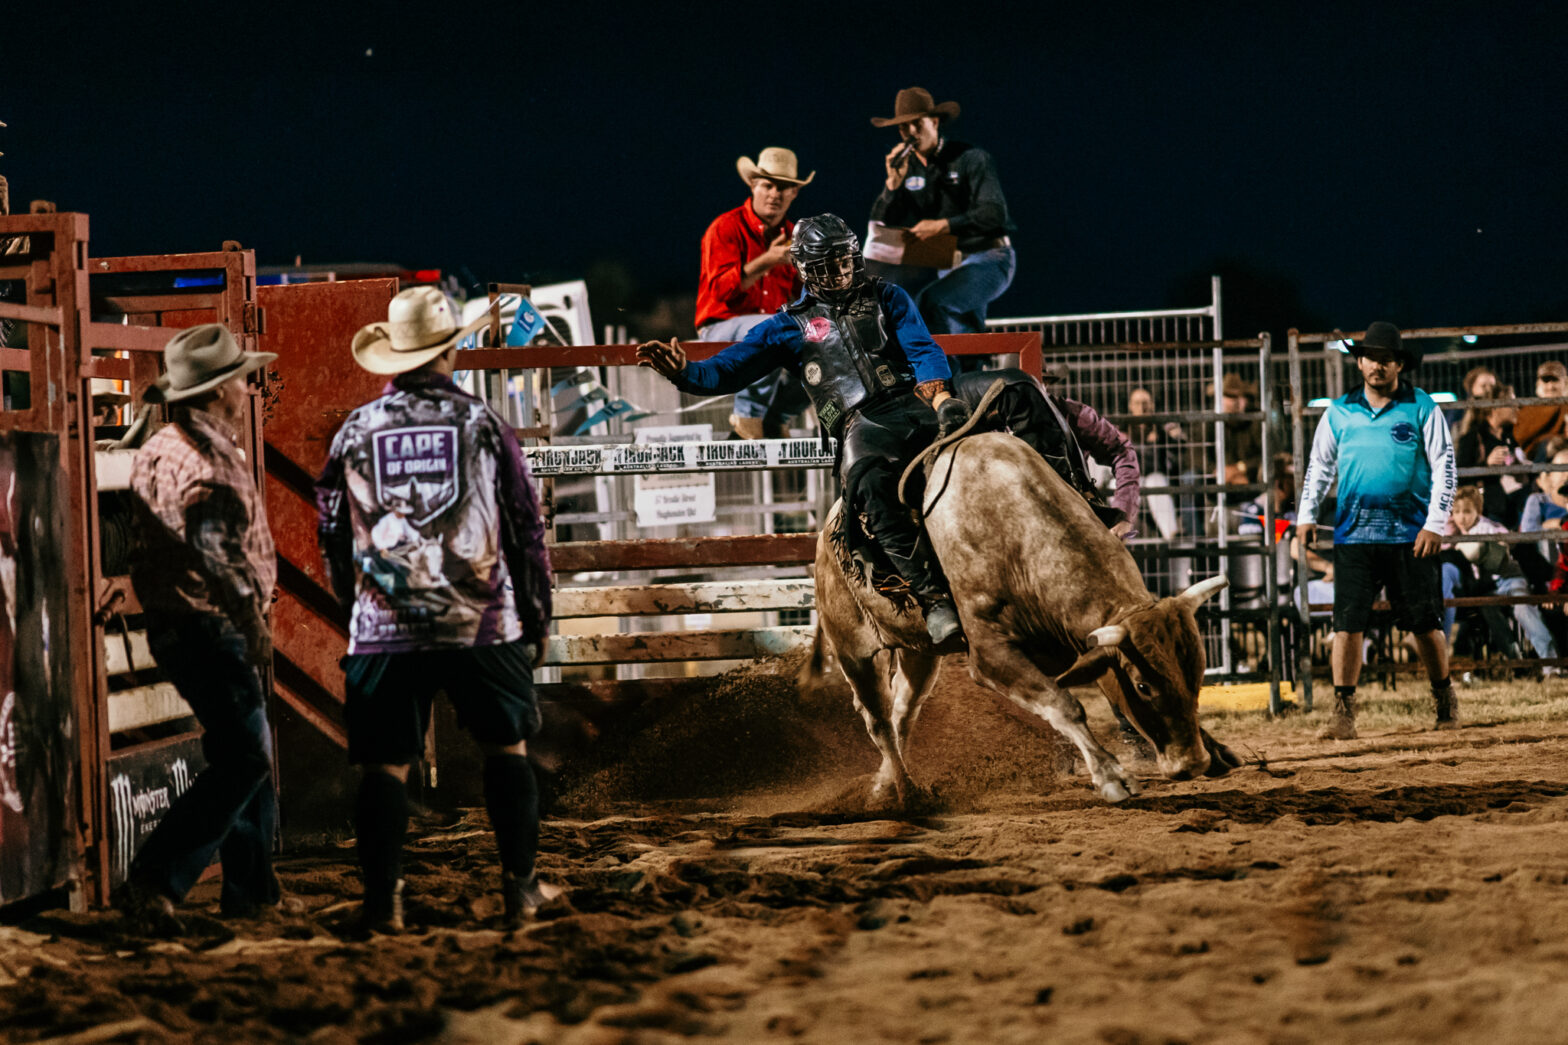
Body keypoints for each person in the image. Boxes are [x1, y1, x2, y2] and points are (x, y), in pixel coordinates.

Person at [315, 287, 559, 932]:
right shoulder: (481, 425)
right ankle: (520, 887)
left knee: (383, 764)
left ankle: (382, 902)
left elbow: (332, 530)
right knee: (506, 748)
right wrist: (537, 613)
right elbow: (524, 524)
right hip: (477, 616)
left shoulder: (356, 430)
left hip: (386, 622)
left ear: (394, 355)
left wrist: (357, 606)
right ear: (451, 348)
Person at [637, 214, 967, 643]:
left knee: (1015, 390)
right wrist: (685, 374)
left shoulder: (888, 296)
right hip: (861, 425)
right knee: (866, 477)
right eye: (830, 266)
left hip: (917, 403)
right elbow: (727, 371)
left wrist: (939, 395)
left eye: (846, 261)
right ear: (807, 271)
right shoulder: (786, 326)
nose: (843, 272)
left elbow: (923, 347)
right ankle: (933, 598)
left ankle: (1076, 494)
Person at [115, 324, 281, 934]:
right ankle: (157, 879)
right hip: (209, 621)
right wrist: (249, 618)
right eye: (238, 378)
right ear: (216, 392)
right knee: (245, 754)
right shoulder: (207, 457)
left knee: (245, 748)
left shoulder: (163, 446)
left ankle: (252, 891)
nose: (245, 387)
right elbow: (214, 546)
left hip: (180, 621)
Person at [1297, 321, 1457, 739]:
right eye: (1371, 358)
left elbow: (1445, 465)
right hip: (1355, 535)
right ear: (1360, 362)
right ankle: (1343, 712)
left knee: (1425, 621)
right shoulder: (1339, 412)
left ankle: (1444, 698)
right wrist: (1305, 514)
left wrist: (1435, 523)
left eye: (1387, 359)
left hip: (1410, 535)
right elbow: (1319, 467)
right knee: (1346, 624)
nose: (1378, 366)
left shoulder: (1422, 406)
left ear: (1399, 364)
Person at [869, 87, 1015, 371]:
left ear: (934, 122)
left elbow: (994, 213)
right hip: (949, 264)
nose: (911, 131)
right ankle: (976, 393)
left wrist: (943, 225)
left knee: (932, 302)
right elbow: (881, 226)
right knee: (965, 332)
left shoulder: (970, 157)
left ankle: (946, 384)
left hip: (990, 257)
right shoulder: (907, 170)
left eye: (917, 123)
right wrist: (891, 186)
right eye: (903, 127)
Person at [696, 147, 815, 439]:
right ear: (753, 186)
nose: (775, 194)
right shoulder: (725, 228)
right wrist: (768, 260)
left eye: (784, 187)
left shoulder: (798, 238)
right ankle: (748, 416)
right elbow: (721, 292)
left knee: (826, 339)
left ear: (794, 194)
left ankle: (778, 416)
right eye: (768, 185)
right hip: (721, 326)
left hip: (773, 331)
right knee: (770, 328)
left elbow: (804, 301)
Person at [950, 366, 1139, 539]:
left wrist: (1124, 512)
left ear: (1044, 384)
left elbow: (1120, 451)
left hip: (1070, 517)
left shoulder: (1072, 414)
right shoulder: (988, 426)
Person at [1442, 484, 1557, 675]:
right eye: (1457, 512)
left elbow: (1505, 539)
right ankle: (1516, 660)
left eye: (1467, 511)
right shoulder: (1458, 534)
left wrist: (1498, 545)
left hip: (1510, 578)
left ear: (1478, 511)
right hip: (1488, 587)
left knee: (1522, 609)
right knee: (1488, 610)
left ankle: (1551, 663)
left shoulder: (1487, 527)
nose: (1462, 517)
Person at [1454, 385, 1527, 526]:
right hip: (1489, 512)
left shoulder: (1511, 436)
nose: (1516, 407)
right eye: (1510, 403)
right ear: (1495, 408)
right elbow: (1459, 476)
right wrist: (1487, 465)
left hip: (1513, 508)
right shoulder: (1473, 437)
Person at [1514, 361, 1568, 460]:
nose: (1550, 387)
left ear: (1565, 382)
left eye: (1555, 380)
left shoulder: (1566, 406)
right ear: (1539, 383)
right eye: (1546, 381)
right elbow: (1520, 436)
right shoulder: (1529, 409)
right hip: (1535, 455)